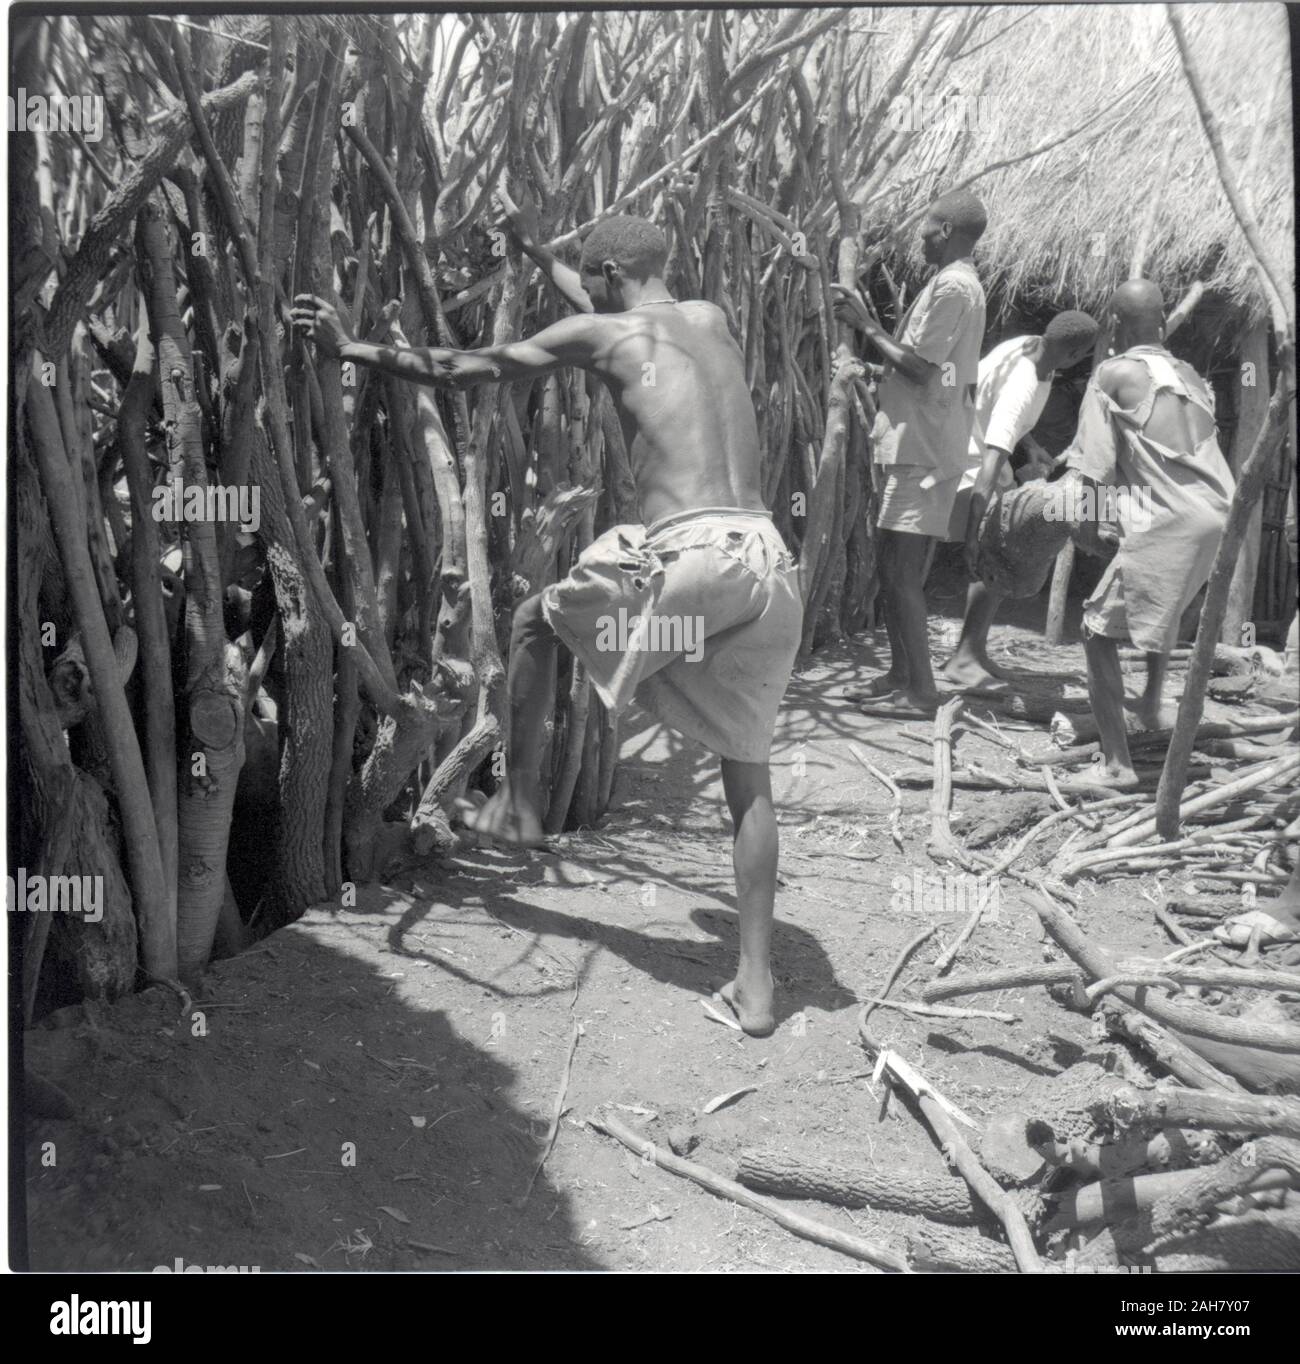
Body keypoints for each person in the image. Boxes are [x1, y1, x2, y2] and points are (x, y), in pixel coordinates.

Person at [292, 214, 803, 1037]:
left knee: (535, 619)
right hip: (770, 568)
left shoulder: (596, 332)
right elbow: (609, 300)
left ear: (603, 276)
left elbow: (467, 368)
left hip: (693, 566)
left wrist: (352, 351)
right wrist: (541, 256)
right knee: (749, 776)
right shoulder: (711, 319)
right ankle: (756, 987)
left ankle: (522, 806)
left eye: (588, 279)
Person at [1061, 279, 1235, 787]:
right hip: (1218, 511)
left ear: (1114, 325)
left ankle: (1116, 767)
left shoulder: (1109, 375)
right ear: (1162, 324)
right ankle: (1154, 702)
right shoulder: (1189, 375)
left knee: (1095, 632)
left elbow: (1093, 469)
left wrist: (1090, 529)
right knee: (1168, 599)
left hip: (1173, 518)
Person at [833, 190, 988, 717]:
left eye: (926, 227)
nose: (918, 236)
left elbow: (922, 367)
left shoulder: (952, 287)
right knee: (892, 565)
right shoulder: (954, 285)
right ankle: (901, 675)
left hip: (924, 450)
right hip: (919, 441)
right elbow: (929, 372)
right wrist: (875, 371)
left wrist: (865, 325)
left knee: (901, 574)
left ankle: (921, 692)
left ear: (944, 231)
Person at [942, 310, 1099, 689]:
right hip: (974, 467)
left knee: (995, 554)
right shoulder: (1024, 386)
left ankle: (973, 651)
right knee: (998, 553)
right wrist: (974, 532)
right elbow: (994, 455)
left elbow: (977, 392)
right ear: (1075, 355)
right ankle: (964, 657)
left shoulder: (1026, 346)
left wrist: (1028, 443)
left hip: (967, 451)